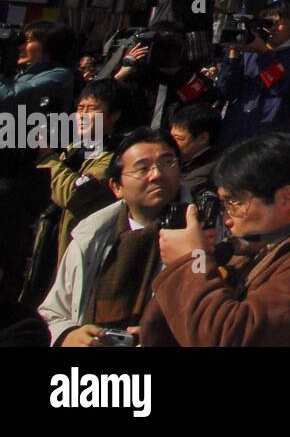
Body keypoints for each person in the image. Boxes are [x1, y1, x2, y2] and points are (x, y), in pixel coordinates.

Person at [140, 132, 290, 347]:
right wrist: (199, 259)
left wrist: (189, 260)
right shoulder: (258, 245)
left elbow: (228, 337)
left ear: (285, 198)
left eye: (234, 202)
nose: (226, 218)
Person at [39, 129, 184, 346]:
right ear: (117, 187)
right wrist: (67, 335)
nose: (157, 174)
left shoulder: (202, 233)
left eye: (167, 162)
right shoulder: (90, 236)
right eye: (142, 168)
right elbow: (52, 311)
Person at [21, 80, 124, 306]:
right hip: (46, 251)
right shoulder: (72, 151)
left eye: (92, 109)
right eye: (80, 109)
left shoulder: (113, 158)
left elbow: (75, 196)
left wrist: (47, 159)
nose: (82, 116)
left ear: (113, 115)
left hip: (77, 260)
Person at [0, 20, 79, 299]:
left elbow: (9, 101)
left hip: (24, 176)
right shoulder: (21, 74)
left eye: (28, 39)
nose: (21, 45)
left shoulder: (60, 76)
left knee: (9, 255)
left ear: (46, 48)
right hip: (8, 171)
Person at [214, 0, 290, 149]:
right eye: (268, 23)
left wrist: (263, 52)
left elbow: (283, 86)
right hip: (237, 131)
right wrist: (232, 57)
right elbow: (226, 90)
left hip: (273, 134)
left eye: (280, 23)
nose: (272, 28)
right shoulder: (250, 50)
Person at [113, 20, 213, 130]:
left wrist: (178, 73)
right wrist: (121, 74)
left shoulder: (188, 79)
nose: (165, 53)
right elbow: (99, 103)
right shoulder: (135, 77)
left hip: (168, 144)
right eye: (159, 47)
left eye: (172, 48)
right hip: (130, 143)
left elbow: (204, 113)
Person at [0, 19, 78, 111]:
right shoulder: (25, 71)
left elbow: (10, 97)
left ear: (50, 46)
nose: (21, 47)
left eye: (28, 41)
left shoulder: (60, 75)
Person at [169, 102, 221, 195]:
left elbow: (177, 192)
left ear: (202, 138)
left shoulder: (210, 168)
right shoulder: (180, 161)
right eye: (170, 137)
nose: (171, 143)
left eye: (178, 139)